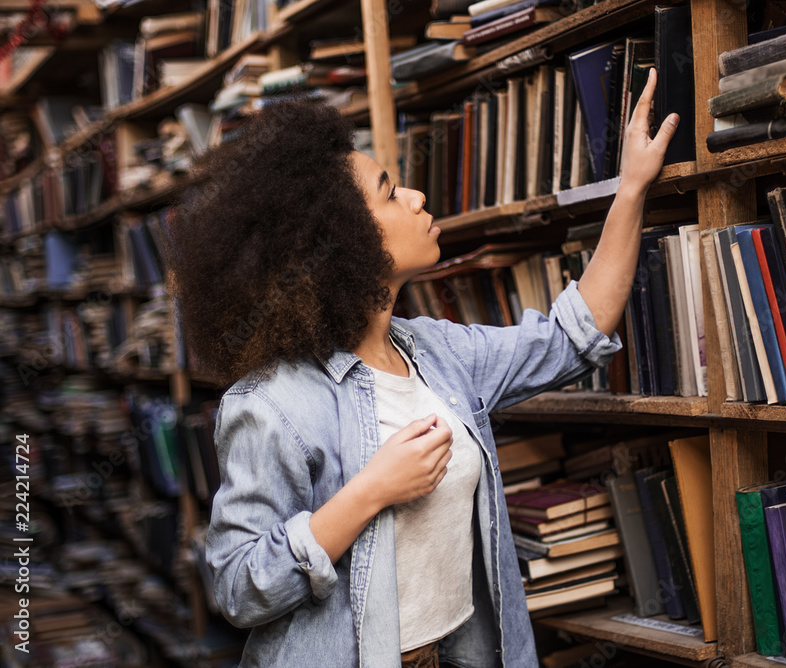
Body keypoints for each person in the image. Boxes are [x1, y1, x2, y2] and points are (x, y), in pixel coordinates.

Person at [165, 70, 678, 667]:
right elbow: (238, 587)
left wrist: (633, 186)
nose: (415, 198)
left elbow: (573, 335)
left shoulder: (438, 354)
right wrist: (370, 492)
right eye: (389, 193)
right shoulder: (273, 405)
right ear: (338, 241)